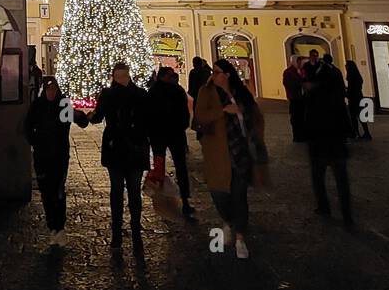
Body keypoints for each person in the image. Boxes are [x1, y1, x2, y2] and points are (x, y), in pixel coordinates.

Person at [195, 59, 267, 260]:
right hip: (218, 153)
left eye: (217, 71)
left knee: (239, 196)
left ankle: (240, 238)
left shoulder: (240, 92)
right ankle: (227, 221)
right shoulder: (206, 92)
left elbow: (255, 115)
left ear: (227, 74)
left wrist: (248, 121)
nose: (213, 75)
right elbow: (200, 117)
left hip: (240, 151)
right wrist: (223, 111)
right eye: (213, 71)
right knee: (220, 194)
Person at [89, 62, 150, 255]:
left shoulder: (141, 94)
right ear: (113, 76)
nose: (122, 78)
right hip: (116, 148)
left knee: (133, 191)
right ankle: (117, 231)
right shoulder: (108, 94)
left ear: (129, 75)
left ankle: (135, 228)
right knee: (116, 190)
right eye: (118, 75)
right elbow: (98, 117)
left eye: (124, 75)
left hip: (134, 147)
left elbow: (149, 121)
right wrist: (89, 116)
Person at [24, 76, 89, 248]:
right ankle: (52, 226)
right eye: (48, 90)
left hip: (59, 155)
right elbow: (28, 126)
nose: (51, 93)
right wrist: (35, 141)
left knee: (58, 190)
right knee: (46, 191)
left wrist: (81, 116)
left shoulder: (63, 104)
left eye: (53, 90)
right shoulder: (38, 105)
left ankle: (59, 226)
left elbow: (76, 120)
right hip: (42, 155)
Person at [303, 59, 353, 226]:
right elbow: (345, 121)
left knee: (318, 177)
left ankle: (324, 206)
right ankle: (347, 213)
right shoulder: (337, 98)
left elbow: (308, 120)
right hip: (337, 144)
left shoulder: (314, 98)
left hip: (319, 145)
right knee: (342, 180)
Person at [145, 65, 196, 220]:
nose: (174, 76)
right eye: (170, 74)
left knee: (163, 167)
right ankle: (180, 200)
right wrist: (181, 125)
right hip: (171, 134)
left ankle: (167, 199)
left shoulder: (155, 91)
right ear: (162, 76)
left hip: (162, 135)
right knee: (177, 167)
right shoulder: (173, 90)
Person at [345, 60, 372, 141]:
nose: (345, 67)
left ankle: (356, 133)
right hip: (359, 97)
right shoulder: (358, 76)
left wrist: (346, 93)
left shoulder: (350, 76)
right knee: (361, 116)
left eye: (346, 65)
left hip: (353, 99)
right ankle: (366, 133)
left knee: (353, 117)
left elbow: (351, 89)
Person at [282, 56, 306, 142]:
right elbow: (288, 84)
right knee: (296, 118)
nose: (300, 63)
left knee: (302, 117)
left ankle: (303, 134)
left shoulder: (301, 71)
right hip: (294, 98)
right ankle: (297, 136)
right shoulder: (288, 72)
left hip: (302, 98)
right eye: (298, 62)